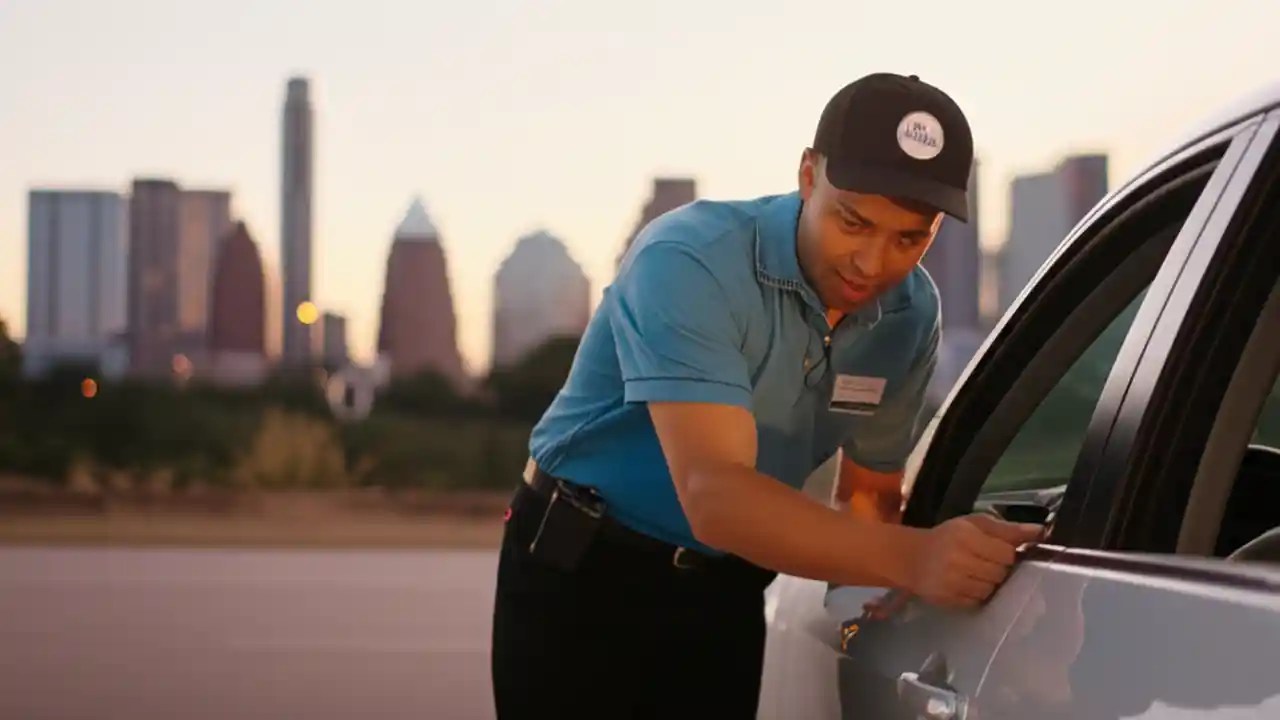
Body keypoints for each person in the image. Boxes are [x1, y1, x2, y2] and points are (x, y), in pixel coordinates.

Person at [489, 71, 1042, 719]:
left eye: (909, 238)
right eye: (853, 220)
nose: (872, 263)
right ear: (809, 175)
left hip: (730, 584)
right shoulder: (691, 259)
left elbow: (868, 496)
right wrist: (918, 560)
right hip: (586, 577)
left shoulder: (911, 316)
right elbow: (716, 496)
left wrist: (893, 615)